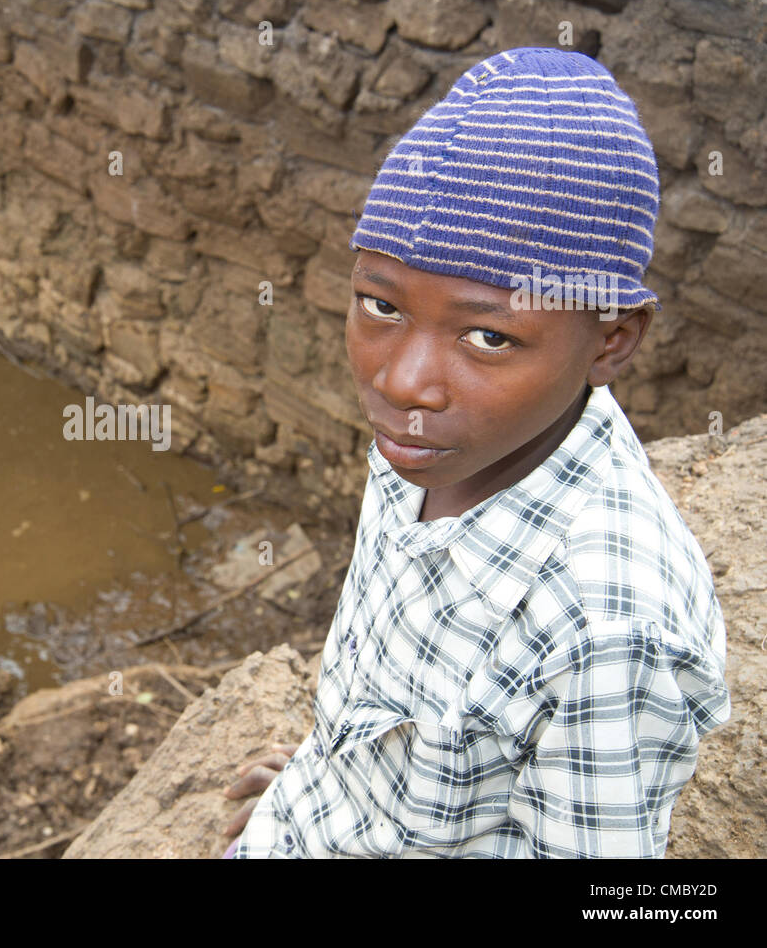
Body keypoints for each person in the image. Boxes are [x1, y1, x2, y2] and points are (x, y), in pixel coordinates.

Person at [226, 47, 731, 858]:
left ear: (611, 341)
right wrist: (331, 777)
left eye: (488, 335)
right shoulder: (433, 447)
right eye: (379, 304)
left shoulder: (608, 630)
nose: (403, 381)